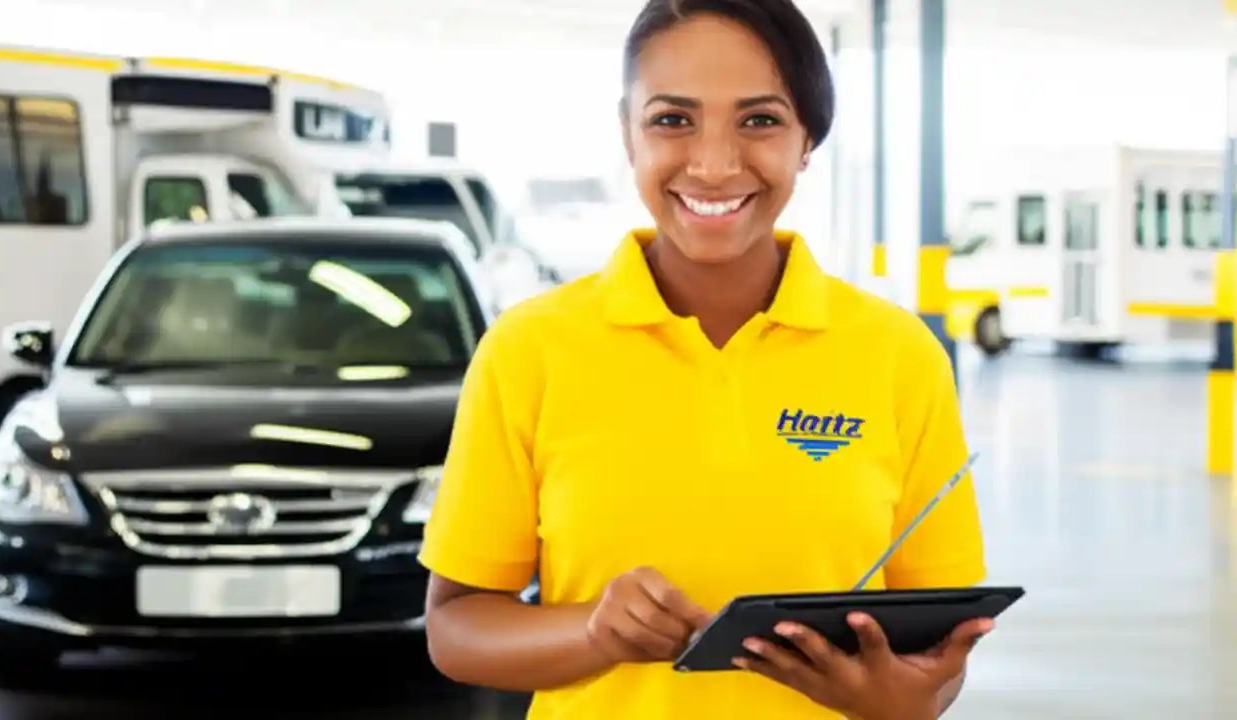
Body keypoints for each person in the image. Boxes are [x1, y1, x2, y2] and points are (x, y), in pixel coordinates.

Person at [417, 0, 994, 718]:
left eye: (759, 120)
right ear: (627, 133)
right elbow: (456, 626)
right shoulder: (531, 349)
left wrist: (903, 702)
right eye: (671, 119)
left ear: (807, 139)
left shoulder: (897, 355)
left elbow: (937, 654)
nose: (715, 164)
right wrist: (594, 632)